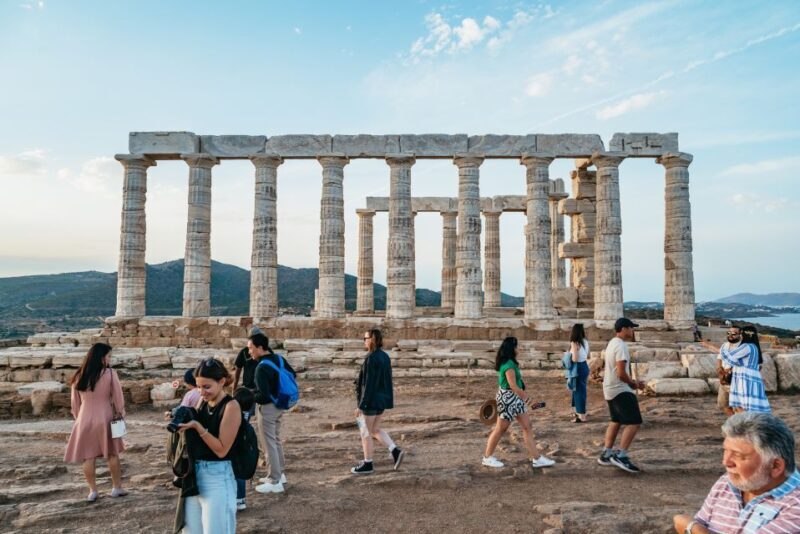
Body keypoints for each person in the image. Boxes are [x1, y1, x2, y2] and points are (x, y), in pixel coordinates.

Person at [673, 412, 800, 533]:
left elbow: (692, 527)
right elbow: (701, 522)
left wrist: (691, 527)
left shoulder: (795, 506)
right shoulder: (726, 483)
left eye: (738, 455)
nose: (726, 462)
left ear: (775, 466)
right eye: (726, 451)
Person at [178, 358, 241, 534]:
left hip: (218, 477)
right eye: (198, 387)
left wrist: (198, 427)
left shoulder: (231, 406)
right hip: (195, 474)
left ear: (221, 382)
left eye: (206, 387)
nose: (202, 392)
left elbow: (222, 450)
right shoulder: (203, 401)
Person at [64, 343, 128, 502]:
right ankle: (116, 488)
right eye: (109, 356)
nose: (109, 359)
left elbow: (75, 404)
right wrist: (121, 414)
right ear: (101, 357)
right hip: (105, 418)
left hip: (84, 420)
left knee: (88, 457)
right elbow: (118, 399)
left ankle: (93, 491)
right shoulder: (111, 374)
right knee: (112, 454)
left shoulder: (79, 375)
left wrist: (79, 418)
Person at [482, 336, 555, 470]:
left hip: (515, 398)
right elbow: (513, 386)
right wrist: (527, 399)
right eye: (517, 346)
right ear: (512, 348)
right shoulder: (509, 365)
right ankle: (487, 457)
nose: (519, 348)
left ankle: (537, 459)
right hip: (508, 399)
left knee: (527, 427)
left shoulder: (511, 362)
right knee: (501, 429)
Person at [351, 329, 405, 474]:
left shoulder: (371, 358)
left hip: (370, 401)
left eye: (365, 338)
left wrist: (361, 405)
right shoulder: (385, 356)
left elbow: (368, 384)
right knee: (375, 430)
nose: (364, 340)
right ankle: (395, 450)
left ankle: (368, 464)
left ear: (373, 339)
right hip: (381, 400)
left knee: (365, 432)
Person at [598, 318, 646, 474]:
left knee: (616, 420)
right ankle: (621, 455)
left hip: (609, 388)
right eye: (631, 328)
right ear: (624, 329)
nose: (633, 331)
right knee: (634, 422)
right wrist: (634, 384)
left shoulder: (612, 343)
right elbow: (620, 373)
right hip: (620, 389)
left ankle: (607, 453)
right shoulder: (621, 346)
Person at [249, 332, 295, 493]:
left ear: (260, 348)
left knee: (268, 443)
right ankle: (279, 474)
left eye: (251, 348)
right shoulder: (279, 359)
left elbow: (262, 395)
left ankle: (274, 480)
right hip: (280, 403)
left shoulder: (261, 367)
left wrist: (249, 394)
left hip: (268, 407)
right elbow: (292, 374)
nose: (249, 352)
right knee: (275, 440)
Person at [720, 325, 770, 413]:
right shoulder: (755, 347)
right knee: (752, 405)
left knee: (742, 404)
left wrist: (720, 348)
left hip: (744, 378)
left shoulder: (746, 346)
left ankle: (744, 424)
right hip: (753, 377)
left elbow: (730, 356)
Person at [232, 387, 255, 512]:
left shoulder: (236, 414)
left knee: (235, 474)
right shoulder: (248, 413)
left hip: (235, 448)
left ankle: (235, 499)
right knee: (240, 475)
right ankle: (241, 499)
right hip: (244, 448)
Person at [568, 323, 590, 423]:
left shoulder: (574, 343)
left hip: (578, 367)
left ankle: (582, 415)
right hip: (585, 366)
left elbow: (575, 359)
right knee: (581, 390)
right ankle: (579, 413)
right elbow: (588, 355)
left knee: (578, 392)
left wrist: (570, 355)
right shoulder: (585, 342)